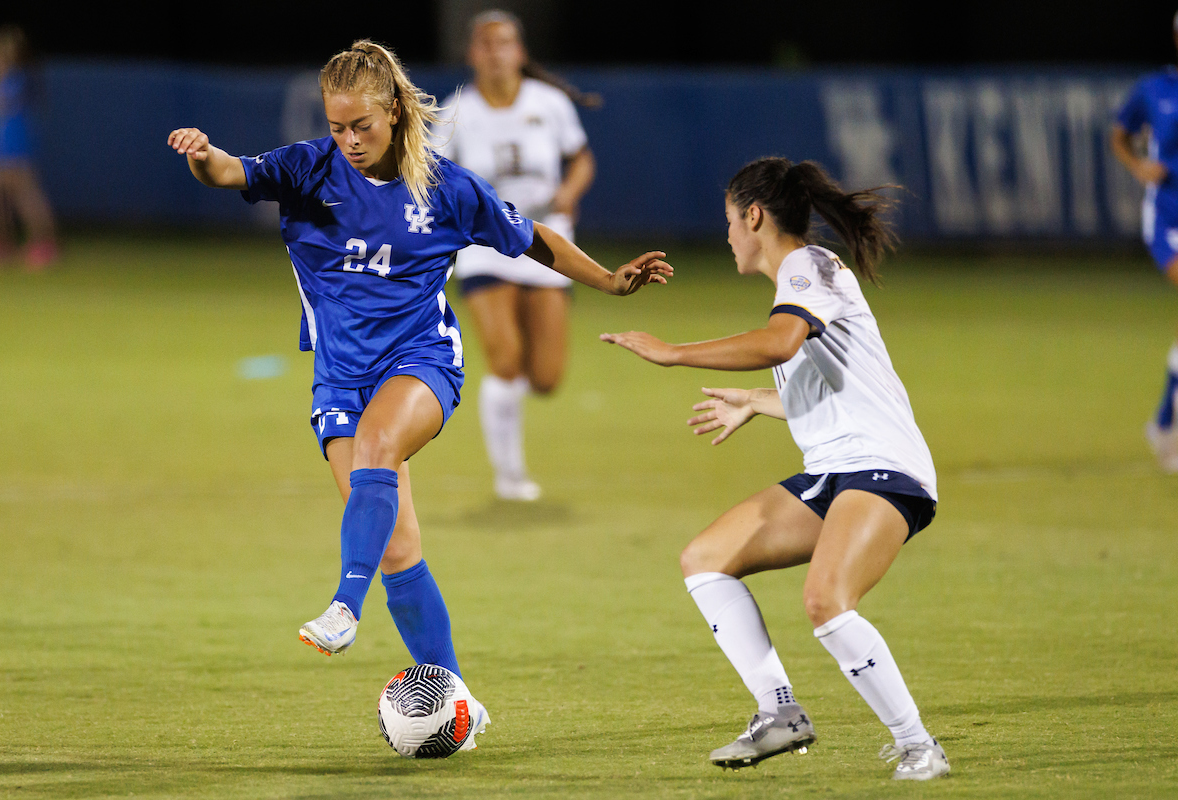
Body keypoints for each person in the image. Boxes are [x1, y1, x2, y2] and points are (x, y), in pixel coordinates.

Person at [167, 40, 669, 746]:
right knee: (398, 550)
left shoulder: (446, 189)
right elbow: (228, 171)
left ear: (395, 112)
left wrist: (612, 282)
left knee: (378, 444)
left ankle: (345, 606)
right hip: (340, 377)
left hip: (421, 361)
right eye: (337, 126)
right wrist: (200, 154)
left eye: (362, 126)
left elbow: (534, 240)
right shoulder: (307, 168)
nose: (349, 140)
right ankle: (459, 702)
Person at [601, 157, 950, 781]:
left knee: (825, 601)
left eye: (730, 221)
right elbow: (832, 388)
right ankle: (779, 711)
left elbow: (778, 343)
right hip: (836, 472)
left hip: (883, 469)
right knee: (706, 558)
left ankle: (919, 746)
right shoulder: (798, 287)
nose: (727, 235)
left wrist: (674, 353)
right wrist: (757, 401)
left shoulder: (807, 265)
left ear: (754, 216)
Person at [434, 10, 600, 501]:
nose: (495, 53)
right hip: (485, 247)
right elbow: (432, 177)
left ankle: (506, 404)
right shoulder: (455, 111)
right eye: (485, 44)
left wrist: (569, 192)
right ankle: (509, 473)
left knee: (546, 377)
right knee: (505, 359)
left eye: (504, 43)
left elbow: (581, 158)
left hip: (546, 242)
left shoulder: (548, 103)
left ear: (520, 52)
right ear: (472, 54)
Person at [1111, 11, 1178, 473]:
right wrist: (1138, 167)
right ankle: (1165, 424)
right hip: (1168, 217)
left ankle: (1164, 423)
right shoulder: (1155, 89)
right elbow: (1119, 134)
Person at [0, 23, 58, 270]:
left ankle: (45, 245)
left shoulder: (19, 77)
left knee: (26, 194)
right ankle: (4, 244)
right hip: (1, 142)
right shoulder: (2, 77)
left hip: (15, 142)